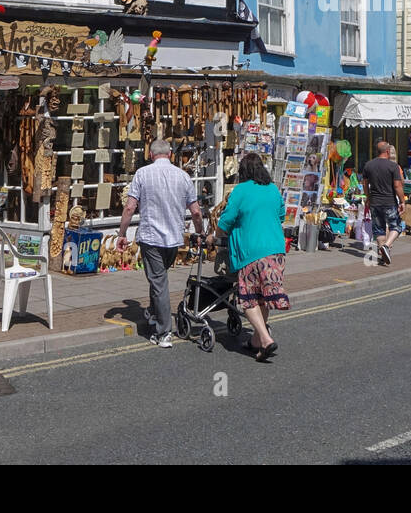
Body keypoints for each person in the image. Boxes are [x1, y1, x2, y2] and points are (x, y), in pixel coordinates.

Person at [117, 139, 205, 348]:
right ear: (170, 155)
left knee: (159, 282)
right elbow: (195, 211)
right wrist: (200, 232)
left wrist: (122, 233)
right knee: (159, 279)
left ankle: (164, 332)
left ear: (150, 154)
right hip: (174, 238)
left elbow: (129, 208)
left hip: (151, 237)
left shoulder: (142, 174)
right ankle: (153, 312)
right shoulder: (183, 176)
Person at [217, 152, 288, 362]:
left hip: (251, 252)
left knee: (248, 298)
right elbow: (282, 215)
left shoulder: (240, 190)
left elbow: (226, 221)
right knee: (264, 297)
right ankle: (256, 341)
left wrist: (215, 237)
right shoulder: (273, 189)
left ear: (243, 172)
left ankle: (265, 339)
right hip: (276, 251)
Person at [361, 141, 405, 265]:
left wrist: (368, 198)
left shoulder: (368, 165)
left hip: (375, 202)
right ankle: (386, 246)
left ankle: (382, 256)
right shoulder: (393, 166)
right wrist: (402, 201)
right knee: (396, 226)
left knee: (379, 230)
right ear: (387, 152)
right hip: (389, 202)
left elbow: (364, 184)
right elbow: (397, 186)